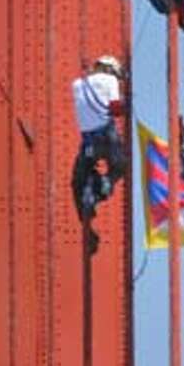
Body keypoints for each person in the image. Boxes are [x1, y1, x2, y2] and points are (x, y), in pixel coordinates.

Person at [70, 55, 128, 254]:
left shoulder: (77, 84)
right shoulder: (109, 80)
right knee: (120, 166)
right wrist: (125, 105)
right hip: (106, 136)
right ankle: (105, 185)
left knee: (77, 182)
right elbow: (114, 108)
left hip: (87, 142)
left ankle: (88, 220)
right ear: (111, 70)